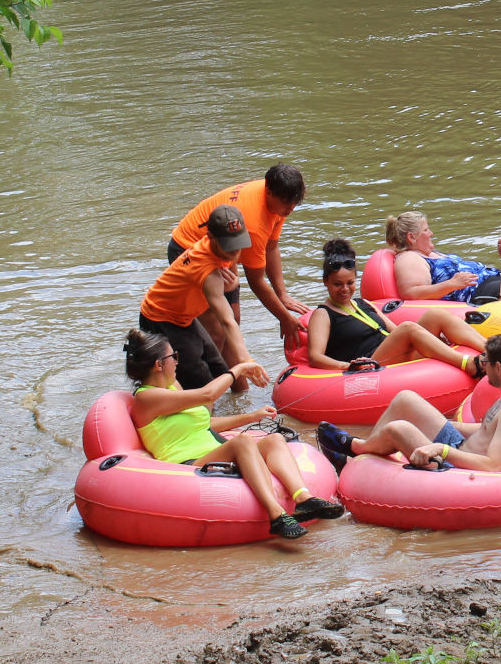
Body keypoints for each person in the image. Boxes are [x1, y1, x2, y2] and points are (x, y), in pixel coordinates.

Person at [123, 327, 341, 539]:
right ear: (159, 365)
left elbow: (202, 424)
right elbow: (208, 394)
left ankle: (303, 498)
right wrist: (237, 370)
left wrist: (250, 417)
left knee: (274, 440)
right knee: (243, 442)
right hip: (187, 464)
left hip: (214, 453)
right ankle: (277, 516)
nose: (177, 362)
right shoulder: (146, 398)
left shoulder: (173, 387)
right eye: (174, 356)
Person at [317, 334, 501, 472]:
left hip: (459, 468)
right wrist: (443, 424)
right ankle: (367, 454)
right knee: (406, 399)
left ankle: (357, 451)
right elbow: (487, 430)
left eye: (487, 362)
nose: (484, 367)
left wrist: (441, 450)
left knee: (399, 429)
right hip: (461, 448)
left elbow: (493, 465)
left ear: (500, 367)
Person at [169, 164, 310, 350]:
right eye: (287, 203)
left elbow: (271, 247)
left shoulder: (280, 201)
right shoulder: (255, 224)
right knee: (218, 330)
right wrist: (285, 318)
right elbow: (256, 282)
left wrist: (282, 294)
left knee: (233, 322)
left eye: (295, 202)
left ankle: (232, 373)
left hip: (224, 253)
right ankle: (205, 374)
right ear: (268, 191)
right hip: (190, 250)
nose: (291, 209)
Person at [305, 238, 488, 375]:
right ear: (325, 282)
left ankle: (491, 350)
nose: (345, 289)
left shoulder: (363, 304)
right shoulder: (323, 314)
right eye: (338, 284)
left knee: (436, 315)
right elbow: (315, 357)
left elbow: (393, 330)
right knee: (408, 328)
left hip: (392, 349)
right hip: (370, 361)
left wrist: (431, 341)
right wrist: (348, 366)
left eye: (350, 282)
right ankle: (469, 364)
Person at [140, 204, 268, 390]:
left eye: (238, 245)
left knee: (219, 368)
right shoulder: (208, 271)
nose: (234, 253)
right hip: (160, 318)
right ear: (210, 238)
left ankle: (232, 407)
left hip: (183, 316)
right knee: (202, 384)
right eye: (229, 247)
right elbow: (227, 320)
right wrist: (245, 359)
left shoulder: (216, 252)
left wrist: (229, 284)